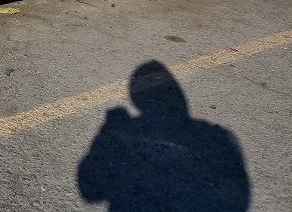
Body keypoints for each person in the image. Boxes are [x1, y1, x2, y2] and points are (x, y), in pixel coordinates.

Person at [78, 61, 250, 211]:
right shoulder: (217, 136)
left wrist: (107, 132)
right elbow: (238, 199)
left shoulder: (125, 132)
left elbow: (90, 189)